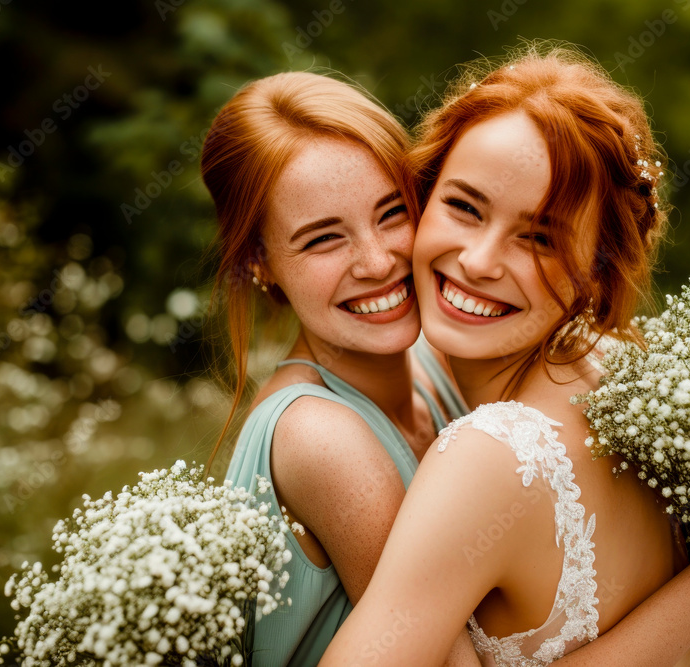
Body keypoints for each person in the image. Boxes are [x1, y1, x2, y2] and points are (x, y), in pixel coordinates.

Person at [319, 45, 690, 666]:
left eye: (538, 238)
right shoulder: (644, 381)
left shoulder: (492, 458)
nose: (478, 261)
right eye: (464, 207)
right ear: (421, 197)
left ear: (598, 272)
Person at [199, 71, 474, 666]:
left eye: (393, 212)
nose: (377, 262)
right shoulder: (319, 437)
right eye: (324, 239)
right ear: (259, 261)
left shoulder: (438, 363)